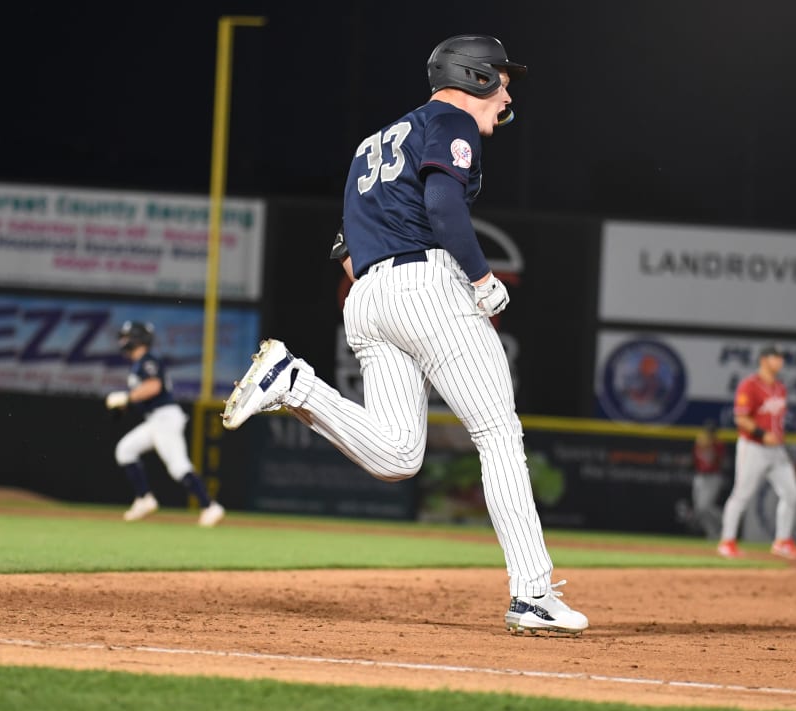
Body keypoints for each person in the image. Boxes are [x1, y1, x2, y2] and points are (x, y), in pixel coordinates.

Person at [221, 35, 587, 636]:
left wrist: (384, 287)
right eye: (500, 79)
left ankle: (294, 383)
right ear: (473, 77)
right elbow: (443, 205)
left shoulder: (373, 143)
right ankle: (533, 594)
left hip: (366, 295)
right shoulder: (451, 121)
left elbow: (344, 246)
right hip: (426, 283)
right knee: (498, 433)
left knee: (396, 456)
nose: (507, 93)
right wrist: (480, 278)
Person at [106, 321, 226, 527]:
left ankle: (210, 506)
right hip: (155, 419)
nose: (123, 341)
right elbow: (144, 395)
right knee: (125, 450)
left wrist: (127, 398)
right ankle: (144, 499)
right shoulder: (139, 364)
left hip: (165, 419)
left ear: (137, 338)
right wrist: (124, 406)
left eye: (127, 336)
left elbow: (153, 386)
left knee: (178, 467)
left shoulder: (148, 360)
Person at [716, 344, 796, 560]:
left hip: (777, 450)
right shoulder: (749, 385)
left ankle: (782, 541)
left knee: (791, 492)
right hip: (753, 447)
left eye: (781, 357)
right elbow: (740, 418)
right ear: (764, 360)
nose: (780, 361)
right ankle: (727, 541)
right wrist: (762, 434)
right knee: (742, 494)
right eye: (776, 357)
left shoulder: (780, 388)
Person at [689, 420, 727, 538]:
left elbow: (716, 462)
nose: (709, 433)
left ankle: (727, 519)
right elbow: (695, 461)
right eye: (708, 431)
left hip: (713, 477)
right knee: (699, 509)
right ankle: (712, 533)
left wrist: (709, 445)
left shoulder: (718, 444)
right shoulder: (699, 442)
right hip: (700, 477)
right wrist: (702, 445)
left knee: (704, 507)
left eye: (711, 431)